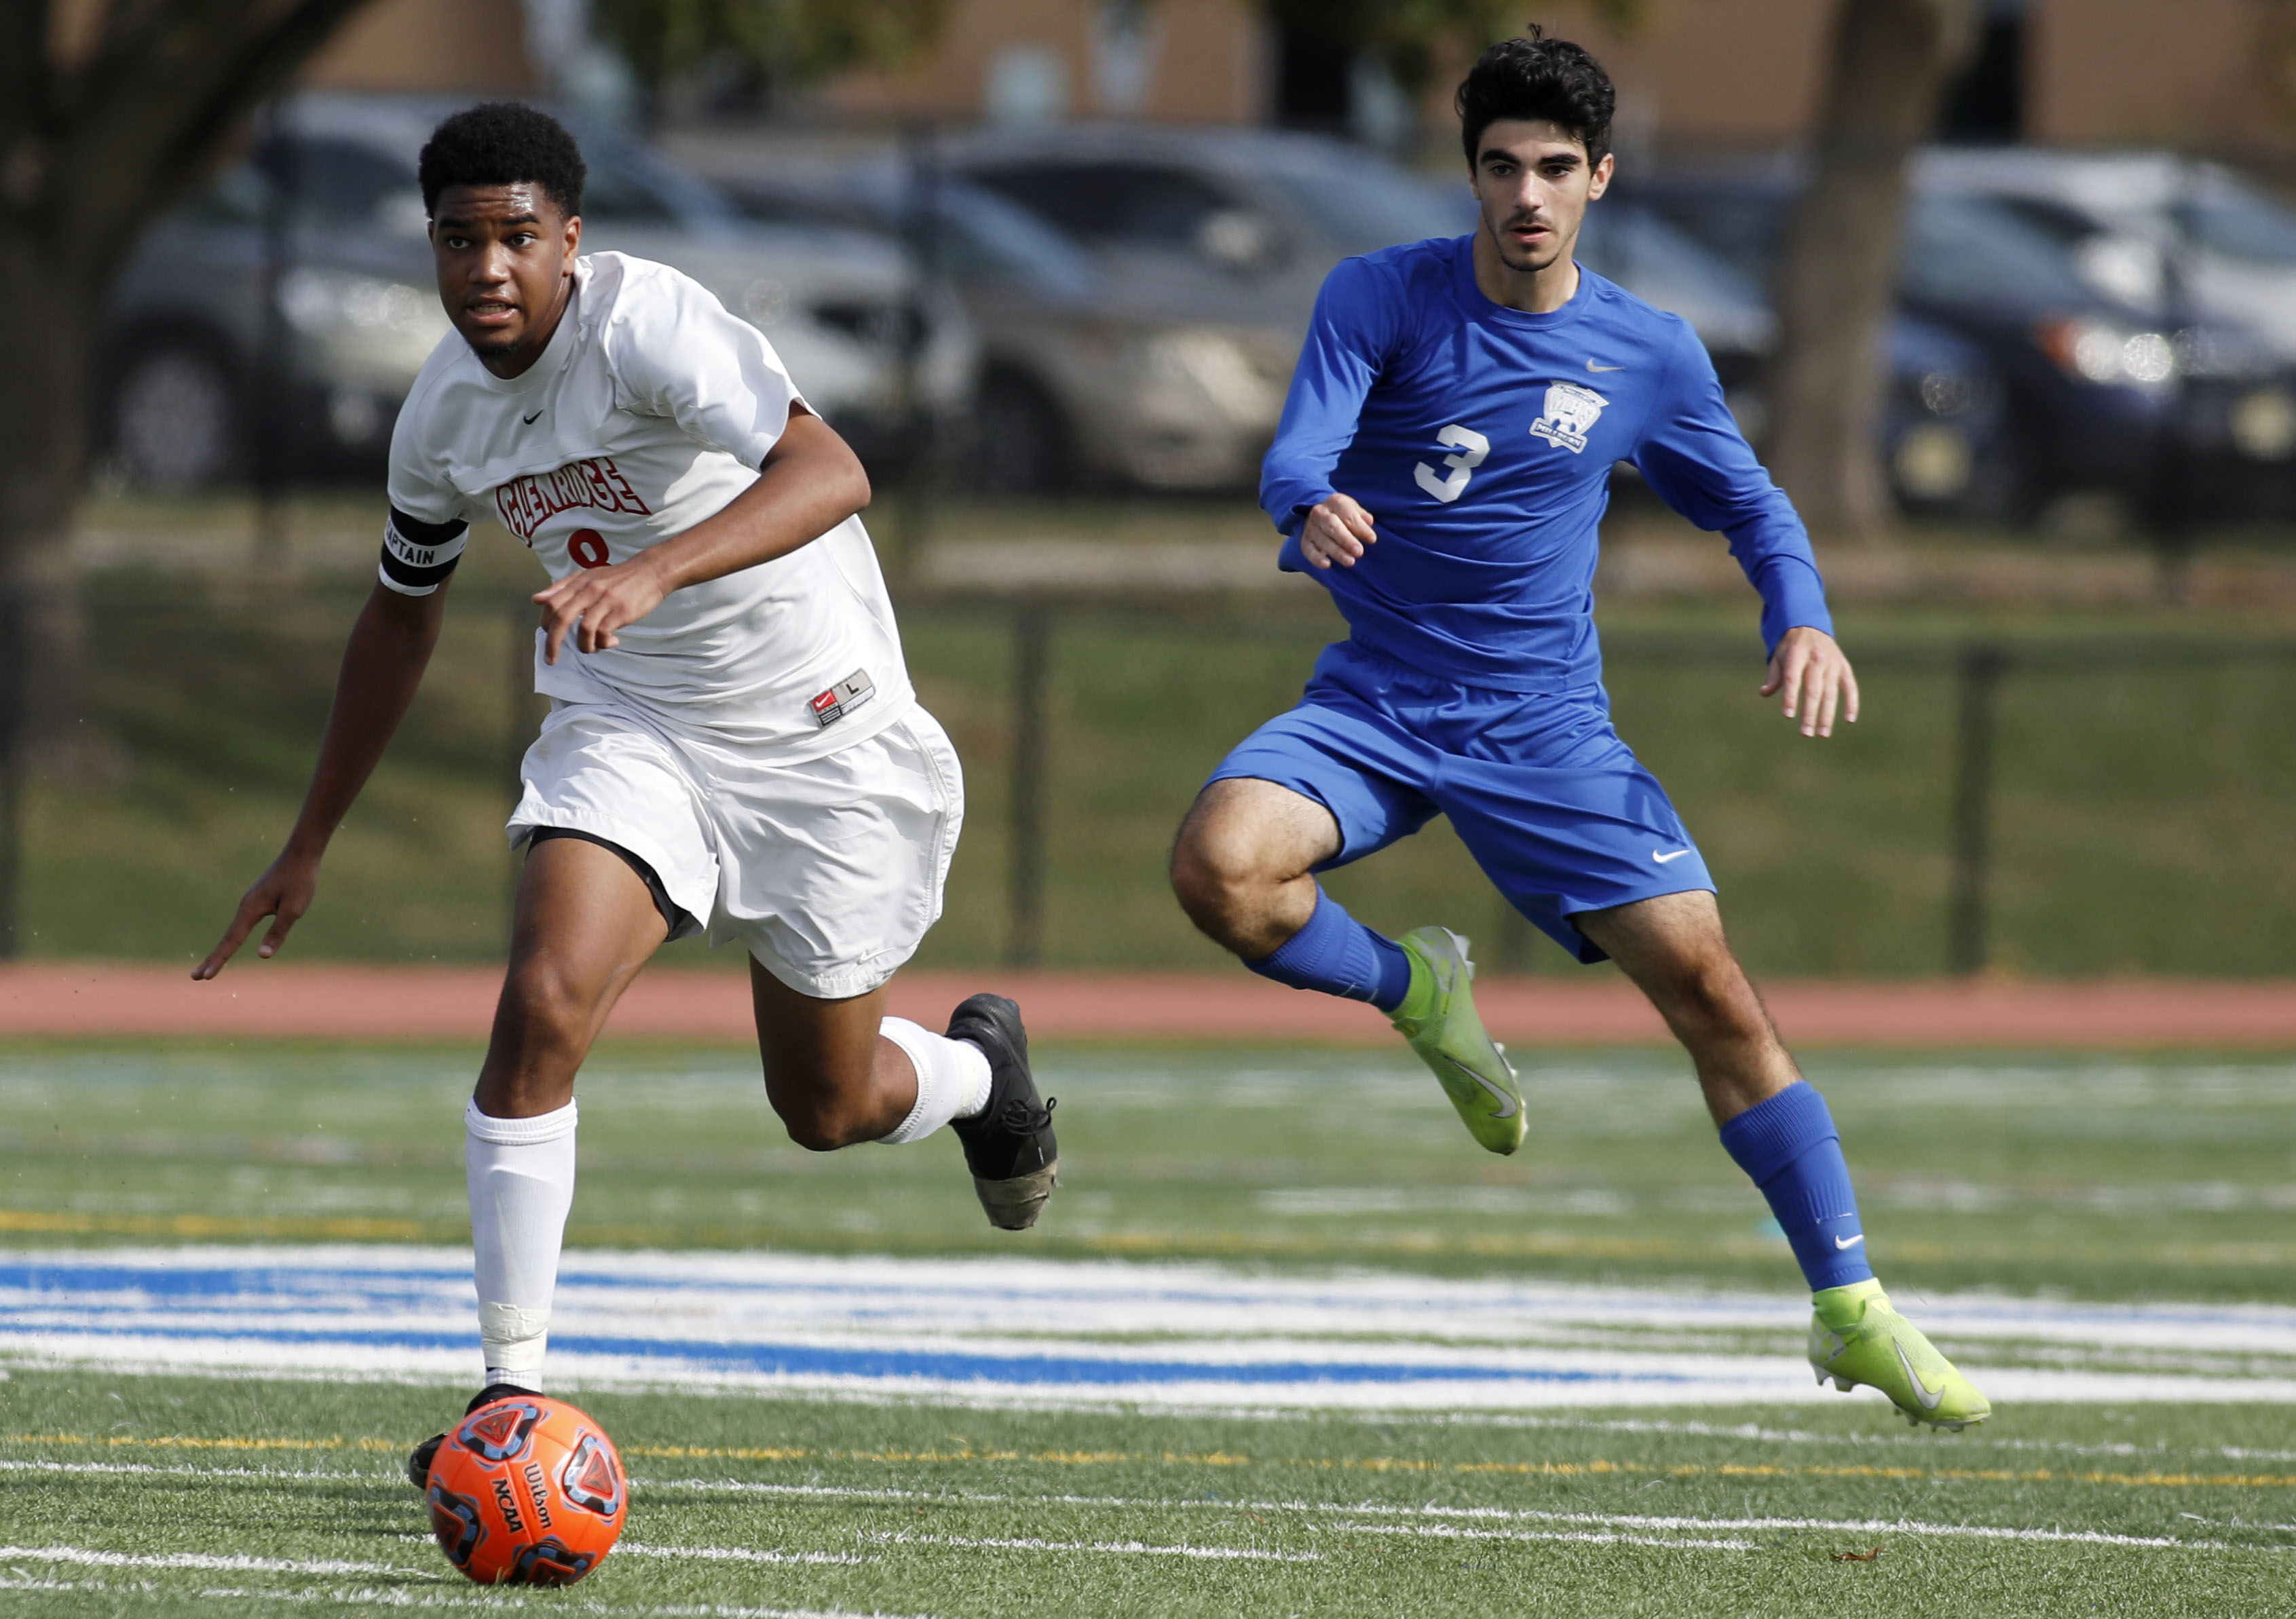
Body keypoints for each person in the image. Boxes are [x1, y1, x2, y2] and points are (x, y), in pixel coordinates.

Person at [193, 104, 1058, 1479]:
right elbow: (398, 615)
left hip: (819, 736)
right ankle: (505, 1399)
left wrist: (652, 571)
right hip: (633, 723)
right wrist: (307, 842)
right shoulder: (440, 415)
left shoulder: (651, 325)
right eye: (459, 238)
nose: (487, 267)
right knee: (540, 1000)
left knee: (824, 1107)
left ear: (571, 243)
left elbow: (833, 469)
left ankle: (978, 1072)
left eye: (516, 237)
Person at [1167, 31, 1985, 1430]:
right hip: (1377, 700)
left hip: (1545, 730)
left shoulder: (1648, 352)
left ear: (1599, 177)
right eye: (1501, 166)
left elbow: (1753, 504)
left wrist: (1802, 613)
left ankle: (1851, 1304)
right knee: (1221, 870)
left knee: (1716, 994)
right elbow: (1300, 443)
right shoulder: (1380, 295)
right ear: (1471, 173)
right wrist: (1305, 503)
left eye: (1556, 167)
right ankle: (1416, 990)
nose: (1527, 194)